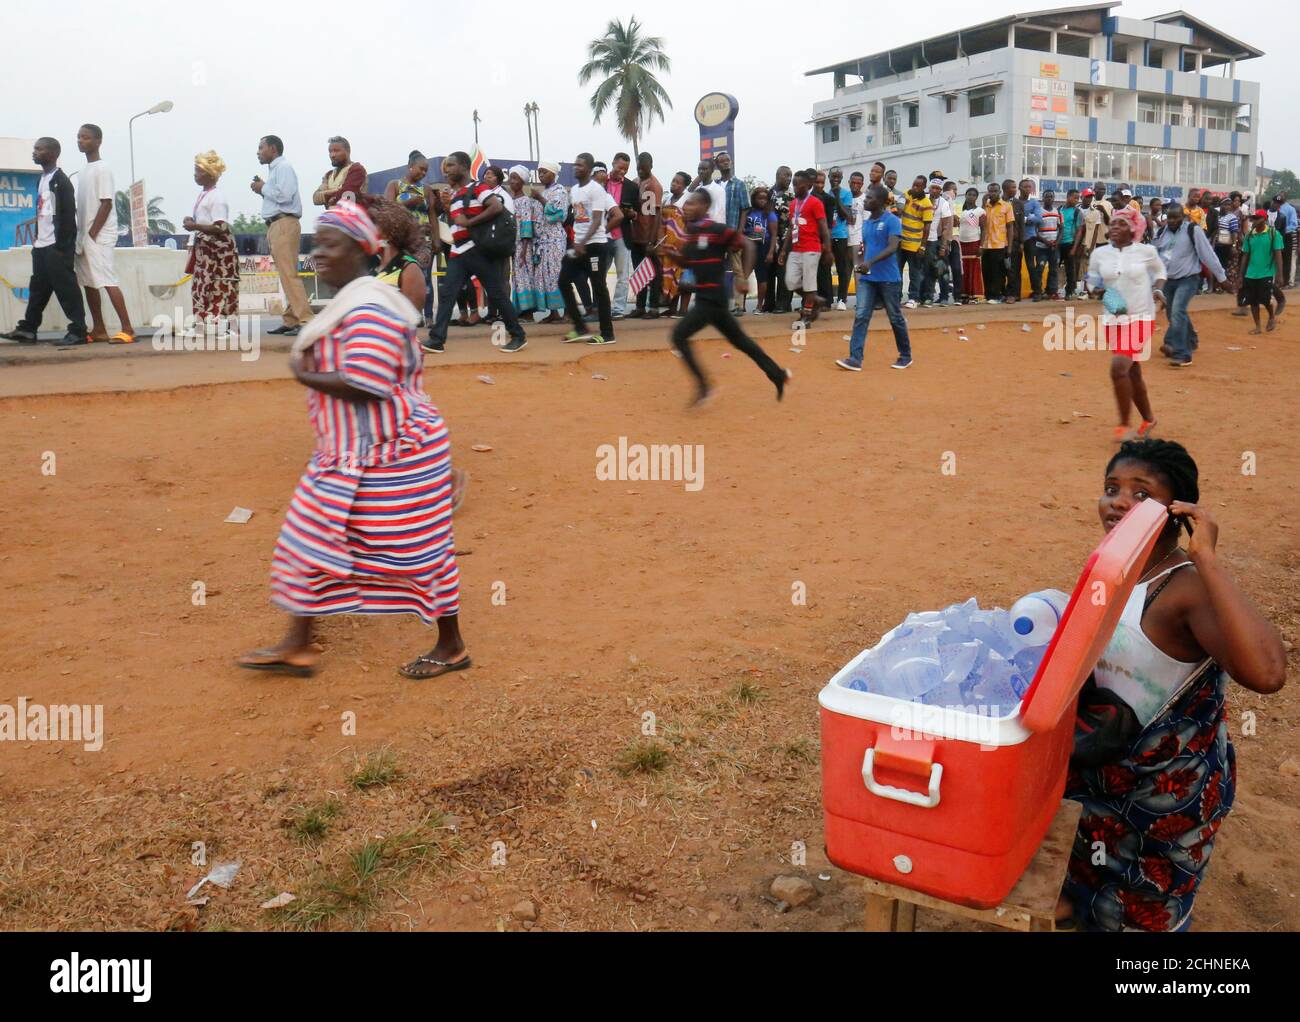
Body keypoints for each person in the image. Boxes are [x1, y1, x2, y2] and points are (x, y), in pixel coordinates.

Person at [236, 200, 469, 681]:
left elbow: (370, 381)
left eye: (330, 245)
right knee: (306, 536)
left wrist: (305, 374)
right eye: (317, 244)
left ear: (363, 252)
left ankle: (452, 646)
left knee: (418, 551)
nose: (318, 254)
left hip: (398, 454)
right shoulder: (351, 302)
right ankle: (297, 645)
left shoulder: (370, 307)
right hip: (347, 456)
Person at [1060, 438, 1285, 932]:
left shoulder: (1184, 588)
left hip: (1163, 804)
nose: (1118, 501)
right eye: (1111, 487)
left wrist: (1207, 558)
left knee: (1140, 916)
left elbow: (1268, 674)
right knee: (1087, 900)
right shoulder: (1112, 566)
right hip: (1101, 782)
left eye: (1142, 494)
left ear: (1176, 510)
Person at [668, 190, 790, 407]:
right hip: (709, 300)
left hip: (711, 300)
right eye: (686, 204)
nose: (686, 207)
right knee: (741, 341)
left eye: (692, 204)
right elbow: (687, 262)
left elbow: (749, 245)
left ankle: (704, 386)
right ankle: (777, 374)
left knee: (678, 336)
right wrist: (668, 254)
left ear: (705, 207)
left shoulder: (716, 229)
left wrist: (741, 278)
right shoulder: (692, 233)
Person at [422, 151, 527, 354]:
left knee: (496, 294)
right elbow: (454, 223)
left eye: (451, 166)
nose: (446, 170)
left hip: (477, 250)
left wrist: (469, 222)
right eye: (445, 167)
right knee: (447, 293)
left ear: (464, 166)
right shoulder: (454, 194)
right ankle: (436, 339)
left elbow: (495, 207)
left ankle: (518, 335)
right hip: (459, 251)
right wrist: (445, 205)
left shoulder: (478, 188)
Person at [1086, 207, 1165, 441]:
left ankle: (1123, 426)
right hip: (1114, 318)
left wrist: (1158, 288)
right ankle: (1149, 418)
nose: (1114, 228)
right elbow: (1090, 282)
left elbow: (1160, 271)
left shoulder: (1146, 251)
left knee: (1118, 367)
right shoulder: (1099, 254)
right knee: (1133, 373)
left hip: (1141, 317)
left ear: (1133, 229)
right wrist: (1096, 290)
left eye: (1121, 224)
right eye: (1112, 224)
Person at [0, 137, 87, 346]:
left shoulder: (61, 181)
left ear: (53, 153)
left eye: (39, 149)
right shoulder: (42, 180)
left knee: (67, 289)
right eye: (34, 149)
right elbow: (44, 214)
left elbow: (67, 217)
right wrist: (38, 240)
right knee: (38, 289)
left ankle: (78, 331)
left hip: (56, 247)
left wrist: (61, 247)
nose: (34, 153)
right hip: (41, 246)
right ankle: (28, 329)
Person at [835, 184, 912, 372]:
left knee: (895, 318)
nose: (866, 201)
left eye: (869, 198)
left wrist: (870, 263)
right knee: (861, 316)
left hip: (888, 278)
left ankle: (905, 355)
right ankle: (855, 358)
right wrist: (860, 262)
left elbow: (892, 247)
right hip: (868, 279)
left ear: (879, 201)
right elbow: (865, 249)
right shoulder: (867, 223)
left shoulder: (892, 221)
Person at [73, 124, 134, 344]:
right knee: (89, 282)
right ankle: (99, 329)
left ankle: (127, 328)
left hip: (98, 236)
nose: (81, 141)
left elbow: (106, 204)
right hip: (84, 236)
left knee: (107, 280)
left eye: (86, 137)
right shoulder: (82, 172)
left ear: (98, 141)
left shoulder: (102, 168)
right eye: (79, 137)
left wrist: (92, 233)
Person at [252, 135, 313, 335]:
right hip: (278, 224)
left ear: (273, 149)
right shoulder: (276, 170)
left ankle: (306, 320)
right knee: (286, 274)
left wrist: (263, 188)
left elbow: (285, 196)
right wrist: (264, 189)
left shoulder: (283, 167)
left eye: (261, 147)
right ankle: (291, 319)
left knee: (289, 274)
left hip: (284, 223)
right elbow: (279, 195)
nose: (258, 151)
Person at [1153, 202, 1225, 368]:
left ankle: (1182, 354)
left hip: (1189, 278)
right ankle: (1191, 339)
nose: (1171, 220)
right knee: (1174, 313)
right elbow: (1156, 258)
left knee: (1177, 311)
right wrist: (1154, 283)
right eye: (1169, 217)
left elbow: (1208, 254)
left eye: (1175, 217)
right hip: (1168, 280)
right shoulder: (1162, 233)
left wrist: (1222, 278)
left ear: (1183, 217)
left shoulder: (1193, 230)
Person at [559, 152, 616, 346]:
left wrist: (582, 243)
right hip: (579, 246)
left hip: (595, 246)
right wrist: (576, 241)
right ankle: (580, 326)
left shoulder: (596, 190)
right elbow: (578, 218)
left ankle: (607, 333)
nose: (576, 168)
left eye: (581, 165)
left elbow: (598, 220)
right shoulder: (574, 190)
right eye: (575, 164)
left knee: (599, 287)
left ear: (589, 169)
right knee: (563, 280)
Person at [183, 151, 240, 338]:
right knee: (200, 287)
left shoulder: (218, 197)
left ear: (209, 173)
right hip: (205, 250)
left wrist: (194, 226)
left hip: (219, 253)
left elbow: (221, 225)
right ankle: (199, 327)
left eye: (198, 171)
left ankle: (232, 329)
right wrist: (194, 223)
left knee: (222, 287)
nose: (195, 174)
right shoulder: (205, 195)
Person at [383, 151, 436, 322]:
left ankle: (428, 317)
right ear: (410, 166)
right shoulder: (395, 185)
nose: (423, 173)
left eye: (426, 171)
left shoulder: (426, 190)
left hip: (423, 240)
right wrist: (407, 203)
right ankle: (409, 317)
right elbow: (386, 209)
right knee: (401, 277)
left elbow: (433, 216)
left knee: (425, 278)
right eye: (421, 169)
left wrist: (436, 239)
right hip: (401, 240)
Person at [777, 168, 831, 325]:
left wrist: (827, 249)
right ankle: (816, 299)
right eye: (793, 184)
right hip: (795, 249)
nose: (794, 188)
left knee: (809, 282)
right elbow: (790, 228)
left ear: (808, 185)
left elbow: (824, 227)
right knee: (790, 282)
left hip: (812, 249)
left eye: (798, 185)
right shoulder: (793, 203)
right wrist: (784, 250)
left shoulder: (815, 203)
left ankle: (806, 315)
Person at [503, 165, 543, 316]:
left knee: (524, 277)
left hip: (522, 245)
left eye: (515, 178)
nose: (511, 181)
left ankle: (528, 312)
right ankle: (520, 310)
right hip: (513, 245)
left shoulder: (525, 200)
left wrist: (524, 250)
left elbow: (527, 225)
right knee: (517, 278)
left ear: (522, 182)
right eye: (511, 178)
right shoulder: (511, 200)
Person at [1238, 208, 1285, 334]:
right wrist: (1241, 275)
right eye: (1253, 218)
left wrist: (1280, 275)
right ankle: (1258, 326)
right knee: (1252, 301)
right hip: (1251, 273)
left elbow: (1278, 255)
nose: (1254, 220)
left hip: (1267, 272)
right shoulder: (1249, 235)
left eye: (1257, 218)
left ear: (1264, 219)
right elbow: (1245, 255)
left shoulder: (1273, 233)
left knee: (1265, 299)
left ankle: (1271, 317)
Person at [605, 152, 640, 318]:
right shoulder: (600, 182)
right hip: (602, 235)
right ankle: (600, 308)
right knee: (599, 274)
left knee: (622, 275)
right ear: (613, 163)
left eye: (626, 169)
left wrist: (630, 213)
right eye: (620, 168)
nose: (623, 172)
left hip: (622, 235)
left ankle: (618, 310)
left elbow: (637, 213)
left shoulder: (632, 187)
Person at [714, 151, 749, 314]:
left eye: (728, 160)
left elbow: (744, 210)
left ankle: (739, 305)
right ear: (717, 165)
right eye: (722, 161)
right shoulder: (715, 185)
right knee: (716, 268)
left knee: (737, 268)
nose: (726, 163)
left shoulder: (739, 184)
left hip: (733, 232)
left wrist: (739, 233)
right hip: (717, 234)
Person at [628, 151, 663, 318]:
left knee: (653, 272)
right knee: (639, 272)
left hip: (648, 237)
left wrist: (652, 240)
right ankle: (640, 306)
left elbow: (657, 214)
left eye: (644, 168)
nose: (640, 171)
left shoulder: (655, 185)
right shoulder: (635, 183)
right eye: (638, 168)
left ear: (651, 166)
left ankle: (654, 307)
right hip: (635, 235)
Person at [534, 161, 569, 322]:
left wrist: (540, 199)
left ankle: (568, 310)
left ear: (553, 173)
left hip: (555, 240)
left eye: (544, 172)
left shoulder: (559, 191)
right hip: (543, 241)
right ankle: (553, 312)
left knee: (558, 274)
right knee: (546, 276)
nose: (541, 175)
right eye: (539, 172)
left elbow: (558, 216)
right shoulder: (546, 191)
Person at [480, 165, 514, 324]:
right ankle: (492, 312)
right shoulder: (483, 194)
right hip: (487, 242)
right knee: (489, 279)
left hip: (500, 241)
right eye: (486, 174)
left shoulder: (504, 196)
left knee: (502, 278)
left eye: (491, 175)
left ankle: (505, 312)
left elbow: (510, 220)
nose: (487, 177)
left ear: (499, 179)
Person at [655, 171, 692, 318]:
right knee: (669, 273)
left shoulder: (687, 200)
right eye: (673, 181)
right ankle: (672, 308)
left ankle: (683, 310)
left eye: (678, 182)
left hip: (682, 243)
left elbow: (689, 222)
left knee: (682, 275)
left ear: (684, 186)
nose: (673, 184)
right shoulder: (667, 198)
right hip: (667, 243)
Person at [898, 176, 933, 309]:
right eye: (914, 185)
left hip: (914, 244)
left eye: (918, 186)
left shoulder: (927, 204)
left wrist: (923, 246)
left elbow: (927, 227)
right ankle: (897, 297)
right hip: (901, 241)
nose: (915, 188)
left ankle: (913, 298)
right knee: (898, 271)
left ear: (924, 187)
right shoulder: (907, 194)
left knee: (914, 273)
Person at [918, 177, 953, 307]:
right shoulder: (923, 200)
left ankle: (936, 297)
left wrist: (944, 245)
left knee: (935, 269)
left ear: (941, 190)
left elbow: (946, 227)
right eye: (933, 187)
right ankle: (921, 297)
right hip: (920, 239)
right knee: (920, 269)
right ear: (929, 188)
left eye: (938, 188)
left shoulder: (943, 203)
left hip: (935, 240)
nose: (935, 190)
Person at [764, 165, 795, 314]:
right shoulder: (768, 193)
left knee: (783, 271)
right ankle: (768, 303)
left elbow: (792, 221)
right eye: (786, 175)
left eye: (790, 176)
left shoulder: (792, 196)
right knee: (769, 271)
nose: (789, 179)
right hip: (769, 238)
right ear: (778, 175)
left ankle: (783, 304)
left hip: (785, 239)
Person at [743, 187, 778, 314]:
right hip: (748, 246)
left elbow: (774, 234)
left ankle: (759, 306)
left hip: (764, 246)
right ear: (754, 199)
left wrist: (770, 252)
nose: (762, 201)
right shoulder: (749, 212)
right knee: (743, 275)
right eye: (760, 198)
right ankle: (741, 305)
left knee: (762, 277)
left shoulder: (770, 214)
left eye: (765, 198)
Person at [980, 182, 1014, 305]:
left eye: (995, 191)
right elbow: (981, 224)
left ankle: (998, 295)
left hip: (999, 244)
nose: (993, 193)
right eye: (991, 191)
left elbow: (1010, 227)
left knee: (998, 272)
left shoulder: (1007, 206)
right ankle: (989, 295)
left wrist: (1009, 247)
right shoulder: (985, 207)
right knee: (986, 271)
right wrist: (983, 204)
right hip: (985, 245)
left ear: (999, 192)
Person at [826, 167, 854, 311]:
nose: (835, 179)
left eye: (838, 177)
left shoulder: (846, 194)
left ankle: (842, 299)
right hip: (828, 236)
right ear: (829, 177)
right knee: (826, 268)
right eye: (833, 176)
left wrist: (837, 197)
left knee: (842, 268)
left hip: (841, 235)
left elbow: (846, 215)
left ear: (842, 178)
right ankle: (828, 299)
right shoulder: (825, 194)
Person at [313, 136, 367, 209]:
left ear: (348, 151)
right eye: (330, 151)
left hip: (351, 217)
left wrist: (326, 195)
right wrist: (337, 191)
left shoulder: (356, 169)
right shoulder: (328, 175)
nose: (332, 155)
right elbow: (315, 198)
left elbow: (346, 194)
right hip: (332, 217)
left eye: (336, 151)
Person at [956, 187, 985, 304]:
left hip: (974, 242)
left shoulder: (980, 211)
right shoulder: (960, 212)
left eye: (973, 195)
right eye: (969, 194)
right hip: (961, 243)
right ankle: (965, 294)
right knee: (964, 270)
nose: (971, 197)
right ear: (965, 195)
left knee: (974, 269)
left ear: (976, 197)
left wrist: (981, 246)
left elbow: (984, 229)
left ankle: (976, 294)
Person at [1036, 190, 1063, 300]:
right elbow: (1035, 231)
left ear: (1054, 198)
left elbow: (1061, 229)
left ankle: (1052, 291)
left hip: (1054, 247)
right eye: (1047, 197)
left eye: (1051, 197)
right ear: (1043, 198)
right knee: (1040, 268)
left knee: (1054, 269)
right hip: (1041, 247)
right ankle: (1037, 292)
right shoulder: (1038, 212)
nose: (1049, 199)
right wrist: (1045, 241)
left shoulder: (1058, 212)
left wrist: (1057, 242)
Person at [1002, 179, 1025, 304]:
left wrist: (1022, 242)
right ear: (1005, 189)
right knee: (1003, 269)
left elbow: (1021, 224)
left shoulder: (1018, 204)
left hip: (1015, 241)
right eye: (1013, 187)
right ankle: (1004, 292)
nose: (1015, 190)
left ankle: (1014, 294)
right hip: (1000, 241)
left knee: (1014, 269)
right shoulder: (998, 203)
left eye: (1015, 187)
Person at [1212, 197, 1240, 296]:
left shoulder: (1232, 217)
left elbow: (1234, 233)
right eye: (1225, 204)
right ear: (1221, 206)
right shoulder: (1217, 216)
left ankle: (1221, 286)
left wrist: (1233, 245)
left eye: (1229, 205)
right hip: (1216, 245)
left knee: (1223, 266)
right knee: (1215, 265)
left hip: (1225, 245)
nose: (1227, 207)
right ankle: (1215, 286)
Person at [1058, 189, 1082, 300]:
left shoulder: (1077, 212)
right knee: (1055, 267)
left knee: (1070, 269)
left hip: (1069, 243)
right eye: (1075, 197)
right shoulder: (1059, 210)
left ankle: (1069, 291)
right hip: (1058, 243)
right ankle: (1054, 290)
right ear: (1068, 197)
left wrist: (1074, 247)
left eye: (1078, 198)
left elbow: (1079, 231)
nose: (1077, 200)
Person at [689, 157, 726, 223]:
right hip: (697, 228)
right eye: (699, 169)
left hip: (712, 229)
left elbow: (720, 214)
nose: (701, 171)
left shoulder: (719, 190)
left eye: (705, 169)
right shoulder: (697, 190)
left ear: (712, 170)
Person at [1270, 194, 1296, 286]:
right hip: (1272, 237)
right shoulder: (1268, 212)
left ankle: (1284, 282)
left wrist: (1280, 232)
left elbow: (1293, 225)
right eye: (1276, 202)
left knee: (1285, 260)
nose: (1277, 204)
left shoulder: (1290, 210)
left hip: (1285, 236)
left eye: (1279, 202)